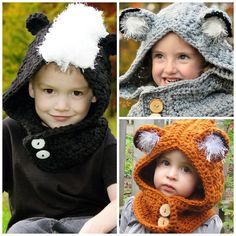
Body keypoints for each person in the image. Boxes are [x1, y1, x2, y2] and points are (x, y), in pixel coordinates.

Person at [3, 3, 117, 233]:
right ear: (31, 88)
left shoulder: (100, 136)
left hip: (88, 223)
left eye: (76, 93)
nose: (62, 106)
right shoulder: (11, 130)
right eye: (49, 91)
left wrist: (91, 229)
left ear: (94, 95)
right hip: (33, 226)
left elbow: (119, 203)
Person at [119, 2, 233, 117]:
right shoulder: (139, 110)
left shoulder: (227, 109)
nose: (169, 69)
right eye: (159, 56)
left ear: (206, 61)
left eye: (182, 57)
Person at [120, 119, 230, 233]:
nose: (171, 175)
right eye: (166, 163)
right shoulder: (133, 208)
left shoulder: (208, 225)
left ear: (201, 182)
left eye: (186, 169)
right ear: (153, 164)